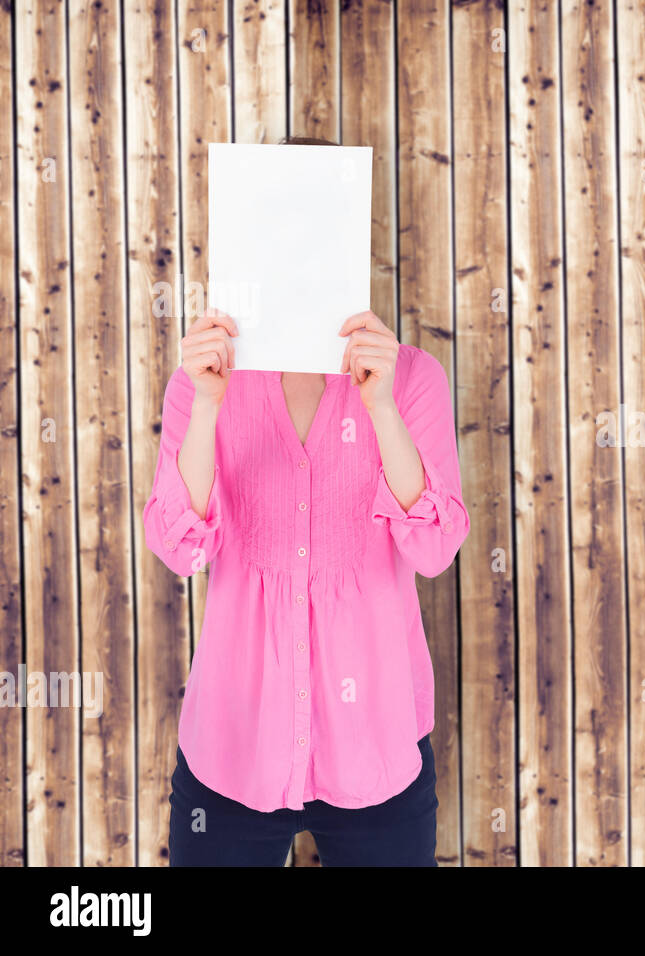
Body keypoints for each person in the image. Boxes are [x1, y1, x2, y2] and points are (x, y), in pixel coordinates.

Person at [144, 136, 468, 866]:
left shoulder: (413, 379)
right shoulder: (202, 385)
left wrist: (380, 407)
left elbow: (434, 548)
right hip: (235, 746)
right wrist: (206, 406)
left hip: (374, 747)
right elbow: (180, 548)